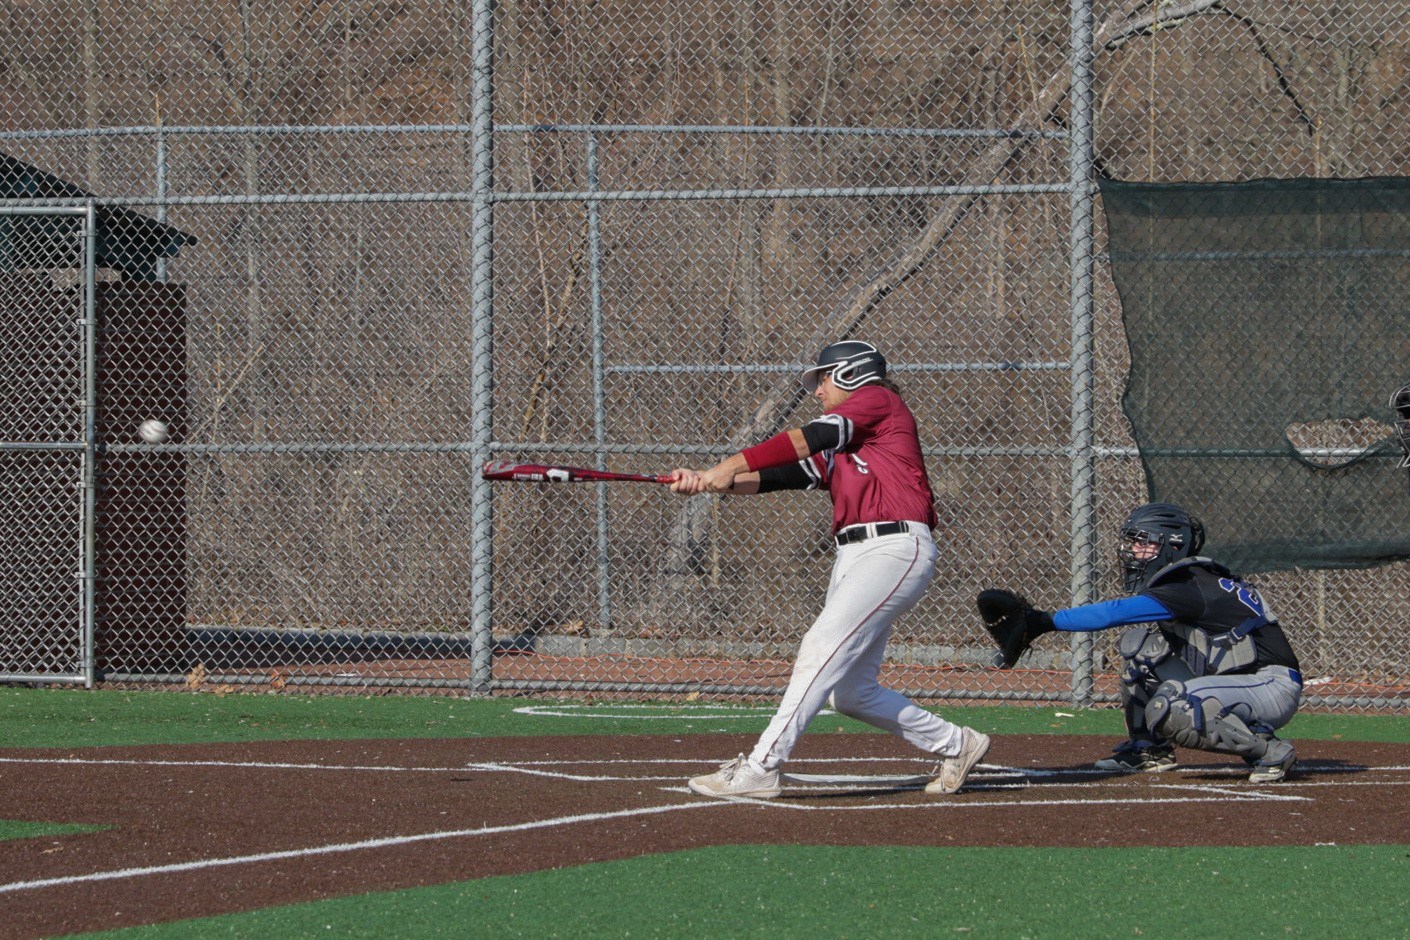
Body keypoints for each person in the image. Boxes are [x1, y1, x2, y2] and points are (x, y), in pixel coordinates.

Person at [669, 340, 990, 799]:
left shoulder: (879, 401)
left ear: (850, 373)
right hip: (855, 555)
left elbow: (808, 437)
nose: (817, 391)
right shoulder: (847, 444)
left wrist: (731, 463)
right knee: (851, 692)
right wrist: (705, 482)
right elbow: (779, 476)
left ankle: (762, 767)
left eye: (822, 379)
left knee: (819, 646)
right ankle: (958, 744)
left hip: (893, 547)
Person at [1042, 502, 1303, 782]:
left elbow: (1112, 613)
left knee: (1177, 706)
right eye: (1132, 543)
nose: (1133, 552)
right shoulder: (1188, 580)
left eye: (1144, 543)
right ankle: (1149, 750)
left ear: (1172, 546)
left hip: (1270, 685)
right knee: (1142, 654)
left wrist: (1043, 621)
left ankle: (1267, 750)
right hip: (1235, 680)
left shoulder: (1190, 586)